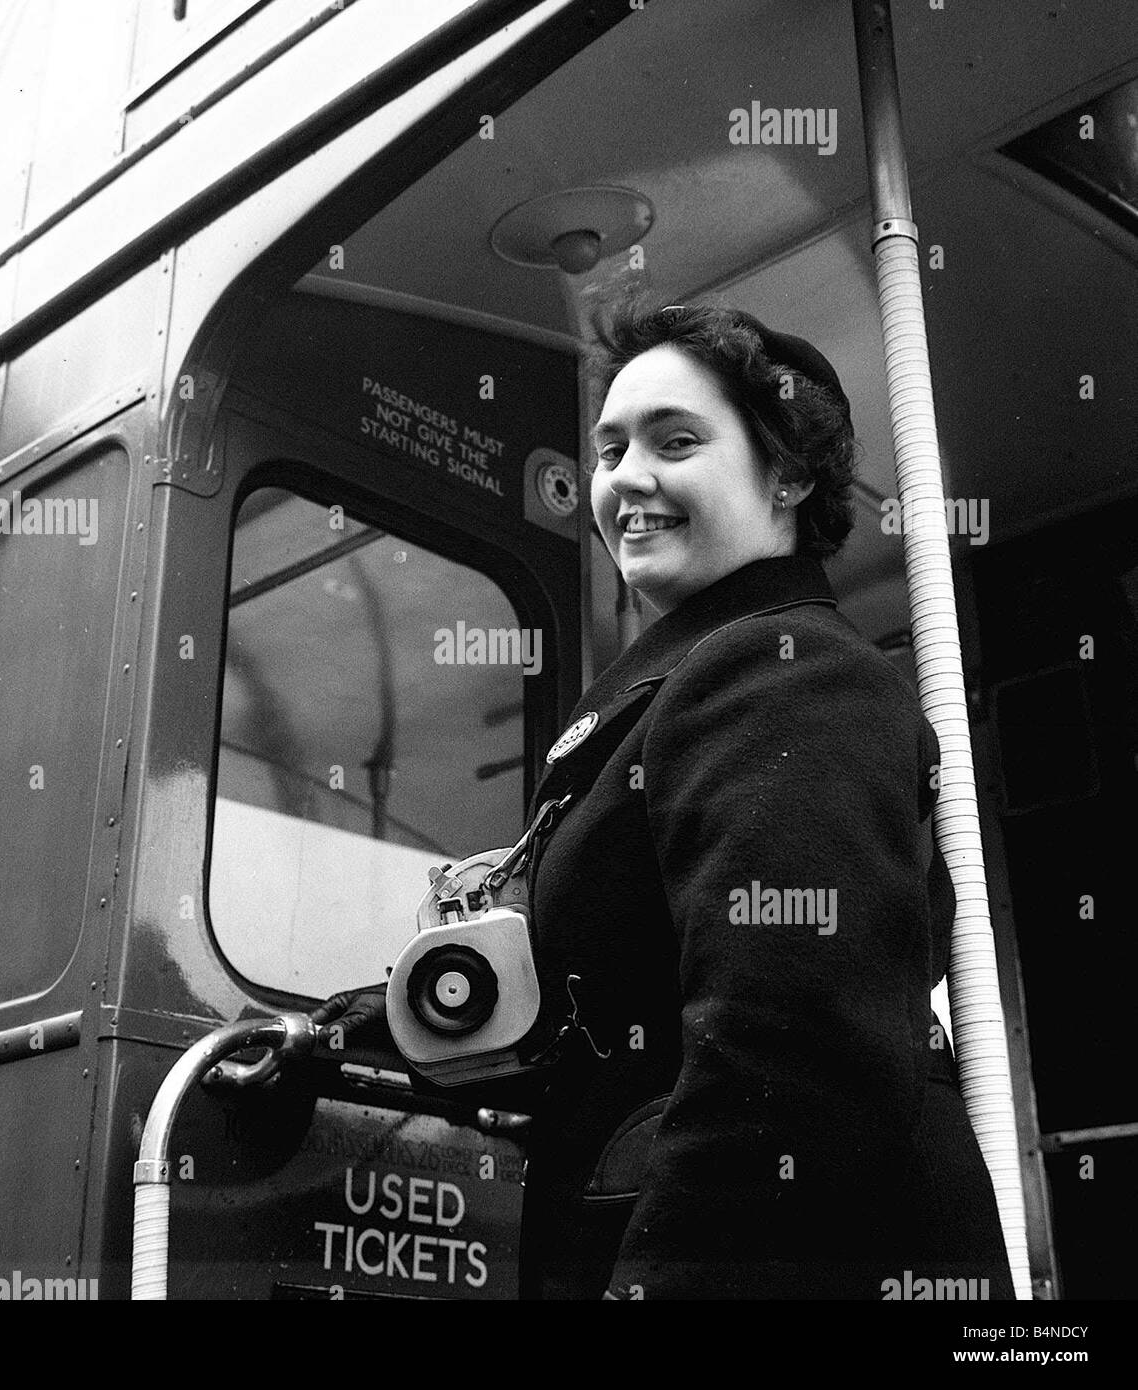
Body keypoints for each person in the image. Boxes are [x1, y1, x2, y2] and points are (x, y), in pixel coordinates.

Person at [316, 299, 1015, 1302]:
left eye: (674, 441)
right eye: (607, 450)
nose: (624, 479)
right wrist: (337, 1034)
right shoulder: (689, 687)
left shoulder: (787, 670)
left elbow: (793, 1051)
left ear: (788, 473)